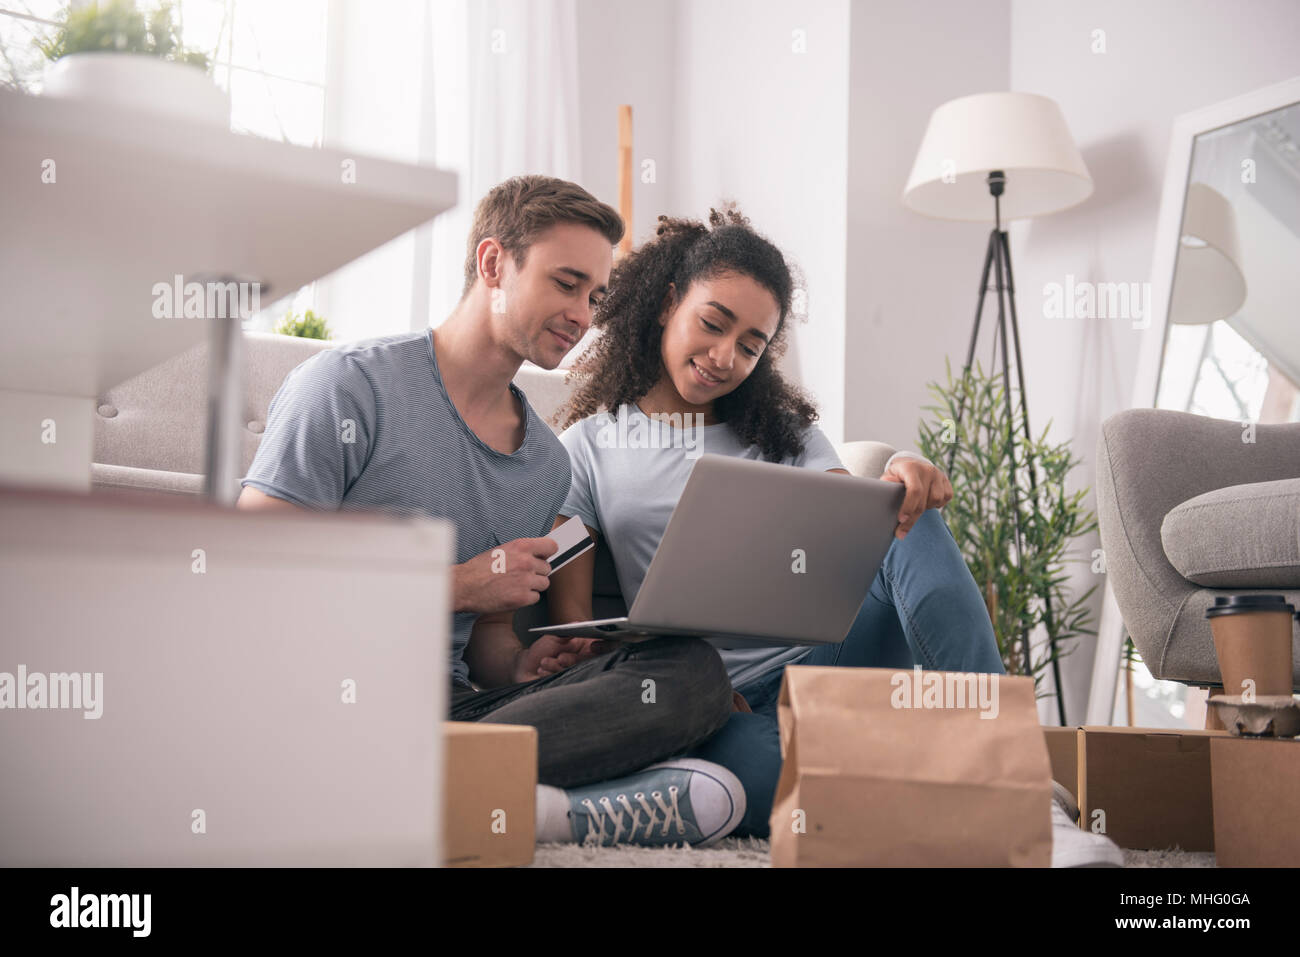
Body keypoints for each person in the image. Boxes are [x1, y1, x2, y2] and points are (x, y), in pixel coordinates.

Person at [542, 205, 1123, 866]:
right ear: (668, 302)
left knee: (911, 521)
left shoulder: (781, 431)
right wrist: (677, 683)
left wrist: (904, 474)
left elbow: (860, 529)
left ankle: (1025, 797)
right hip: (715, 700)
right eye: (712, 324)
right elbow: (575, 628)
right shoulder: (585, 448)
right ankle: (954, 783)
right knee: (760, 786)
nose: (725, 357)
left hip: (830, 666)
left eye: (752, 344)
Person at [237, 176, 749, 849]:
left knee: (691, 671)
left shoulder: (546, 463)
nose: (582, 314)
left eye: (595, 296)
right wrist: (458, 584)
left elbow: (488, 642)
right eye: (565, 283)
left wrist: (526, 664)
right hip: (323, 702)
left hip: (453, 715)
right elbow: (247, 579)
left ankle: (454, 787)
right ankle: (534, 804)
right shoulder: (350, 387)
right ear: (492, 263)